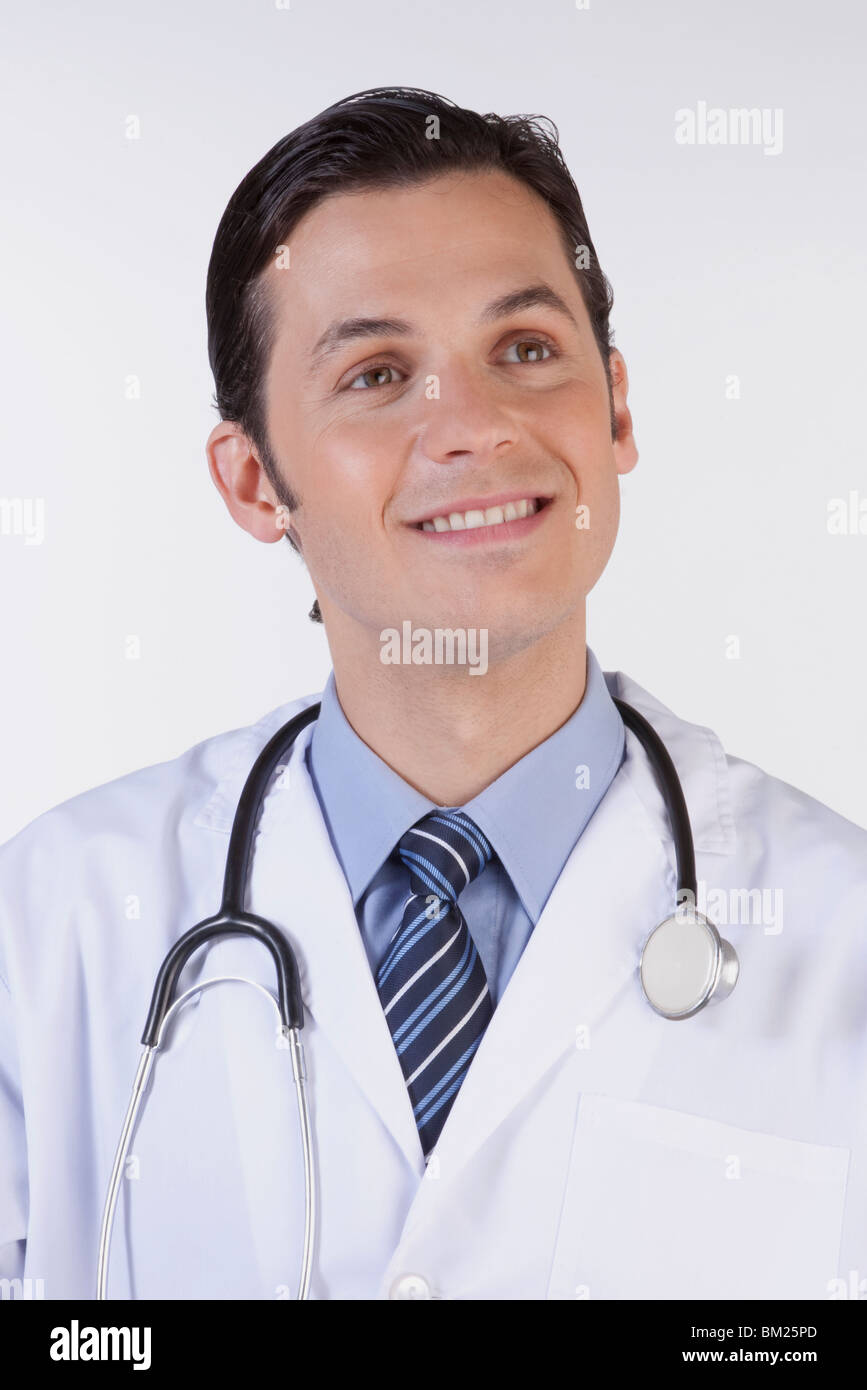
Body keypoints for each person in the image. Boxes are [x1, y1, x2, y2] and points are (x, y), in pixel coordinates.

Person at [1, 86, 866, 1303]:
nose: (473, 425)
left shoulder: (841, 931)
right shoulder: (53, 928)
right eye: (376, 372)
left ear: (615, 406)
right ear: (255, 482)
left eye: (524, 350)